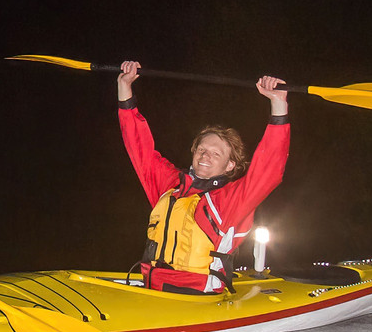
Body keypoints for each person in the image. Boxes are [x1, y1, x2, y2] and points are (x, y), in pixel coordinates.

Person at [118, 59, 289, 292]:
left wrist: (279, 105)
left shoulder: (228, 200)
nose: (205, 156)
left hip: (198, 295)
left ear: (230, 166)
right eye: (201, 149)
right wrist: (125, 88)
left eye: (215, 154)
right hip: (152, 288)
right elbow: (139, 148)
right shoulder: (171, 185)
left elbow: (268, 170)